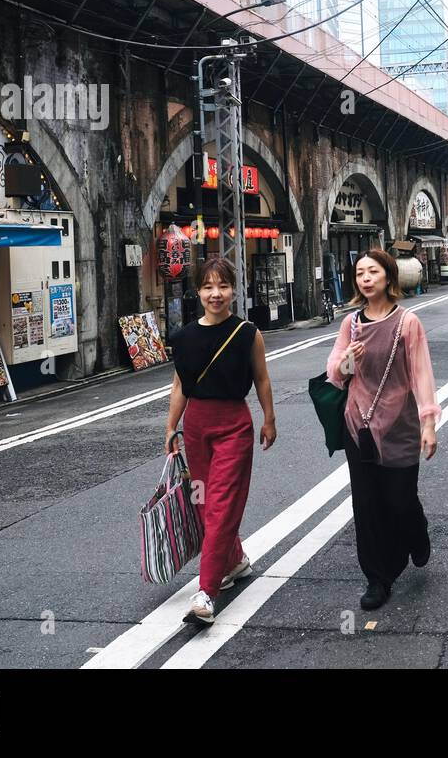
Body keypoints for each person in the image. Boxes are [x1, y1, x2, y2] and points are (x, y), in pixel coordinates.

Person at [165, 257, 277, 626]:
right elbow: (181, 385)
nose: (216, 294)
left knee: (221, 505)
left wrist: (269, 419)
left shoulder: (247, 333)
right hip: (196, 428)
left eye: (223, 286)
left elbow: (261, 379)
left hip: (233, 426)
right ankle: (235, 561)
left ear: (234, 289)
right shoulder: (182, 338)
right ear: (197, 291)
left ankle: (206, 592)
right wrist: (171, 428)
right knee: (202, 501)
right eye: (208, 286)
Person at [326, 249, 440, 611]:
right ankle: (379, 577)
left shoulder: (408, 323)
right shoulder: (351, 324)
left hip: (401, 426)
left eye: (372, 271)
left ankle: (416, 530)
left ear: (389, 277)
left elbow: (421, 375)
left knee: (400, 499)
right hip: (358, 424)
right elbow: (334, 373)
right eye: (359, 272)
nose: (365, 278)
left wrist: (429, 423)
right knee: (367, 505)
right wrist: (348, 361)